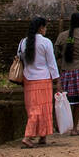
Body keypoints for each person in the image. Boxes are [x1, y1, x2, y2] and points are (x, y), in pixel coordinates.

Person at [17, 16, 60, 148]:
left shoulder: (23, 42)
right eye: (45, 27)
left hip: (29, 79)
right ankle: (28, 136)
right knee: (43, 108)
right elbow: (51, 62)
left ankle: (42, 135)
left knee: (32, 108)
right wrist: (57, 79)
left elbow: (20, 58)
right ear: (41, 28)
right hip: (43, 79)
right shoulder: (45, 42)